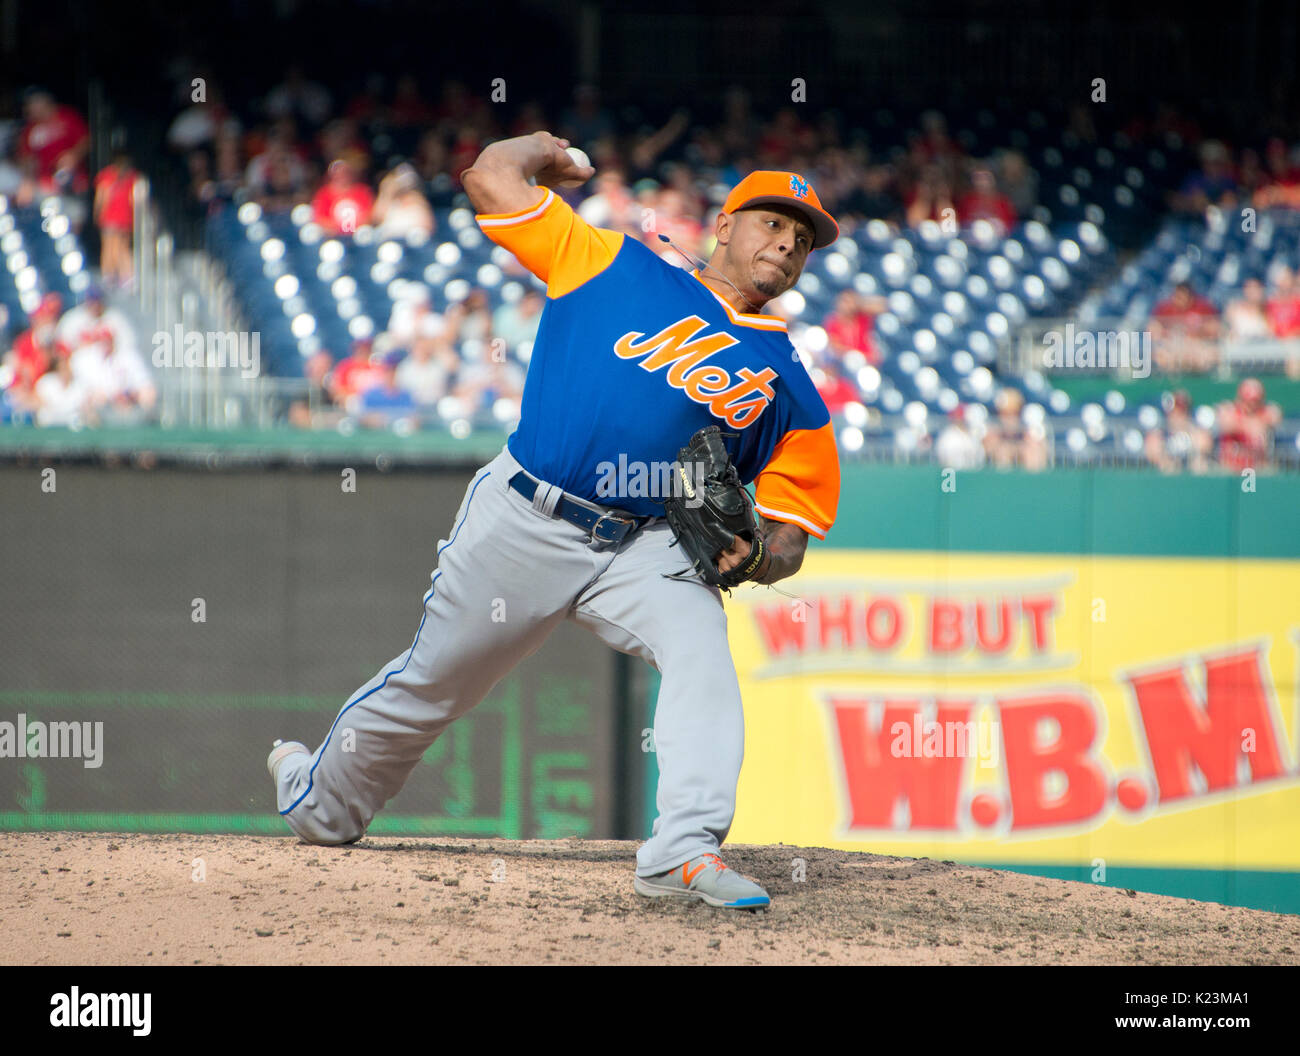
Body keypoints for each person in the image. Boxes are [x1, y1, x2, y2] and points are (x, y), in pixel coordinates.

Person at [267, 133, 842, 912]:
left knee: (702, 647)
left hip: (645, 546)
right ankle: (318, 798)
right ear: (724, 227)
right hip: (526, 516)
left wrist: (754, 557)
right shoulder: (616, 263)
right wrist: (544, 150)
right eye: (772, 222)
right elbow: (485, 178)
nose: (787, 242)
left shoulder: (795, 393)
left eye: (802, 238)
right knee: (434, 684)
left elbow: (790, 536)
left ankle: (683, 851)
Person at [1217, 377, 1282, 471]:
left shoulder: (1265, 412)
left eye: (1255, 401)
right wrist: (1247, 426)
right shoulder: (1231, 411)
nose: (1251, 405)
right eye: (1247, 401)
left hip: (1258, 467)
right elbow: (1226, 422)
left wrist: (1258, 425)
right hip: (1231, 467)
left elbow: (1276, 415)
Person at [1144, 389, 1211, 474]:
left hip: (1191, 474)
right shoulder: (1160, 433)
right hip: (1167, 478)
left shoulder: (1197, 433)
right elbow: (1153, 452)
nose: (1177, 415)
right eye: (1174, 411)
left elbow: (1203, 451)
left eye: (1181, 411)